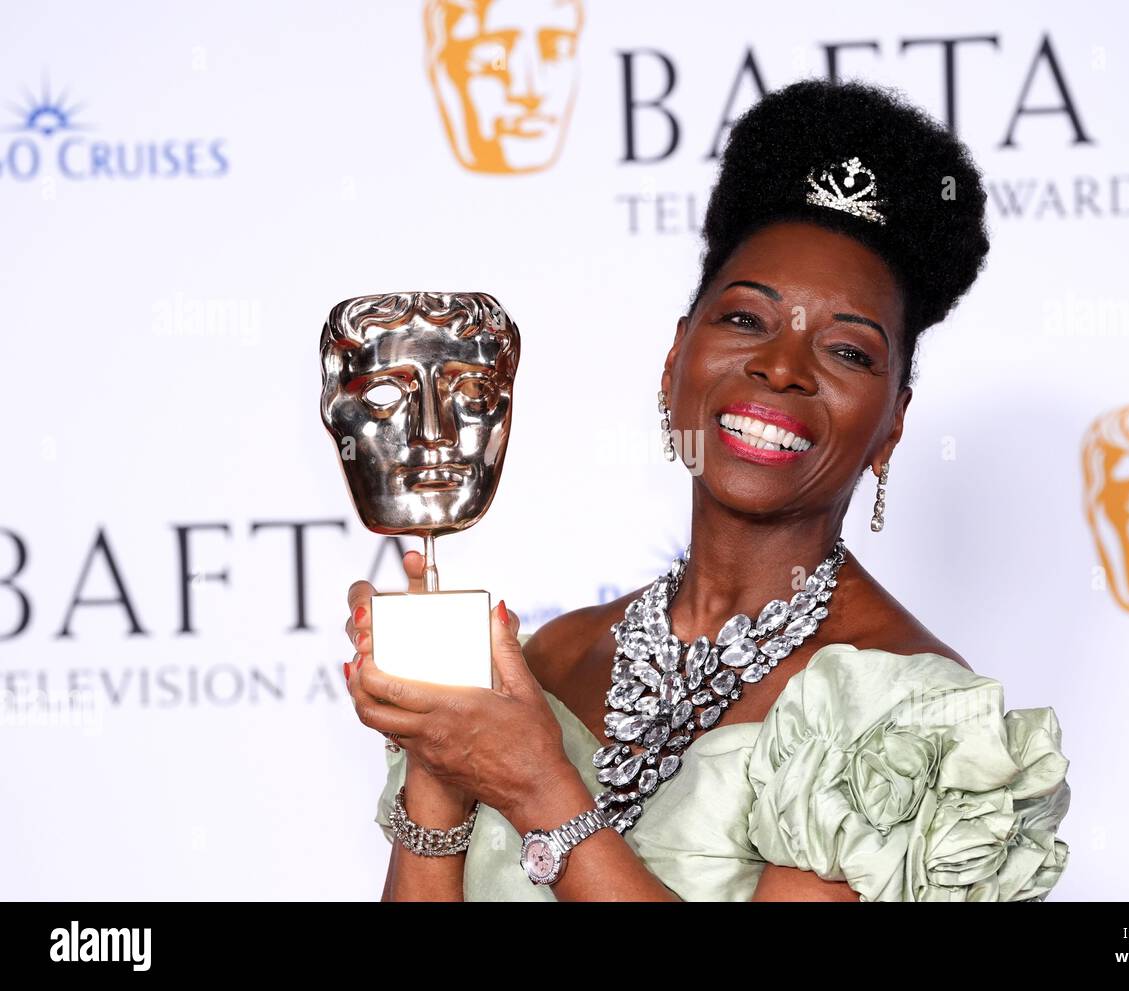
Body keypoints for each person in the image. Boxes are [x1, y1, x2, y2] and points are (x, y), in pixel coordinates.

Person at [341, 78, 1071, 902]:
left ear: (892, 424)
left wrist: (539, 786)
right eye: (745, 320)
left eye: (849, 352)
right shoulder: (547, 659)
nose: (782, 367)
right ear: (675, 360)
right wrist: (441, 769)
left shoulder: (906, 717)